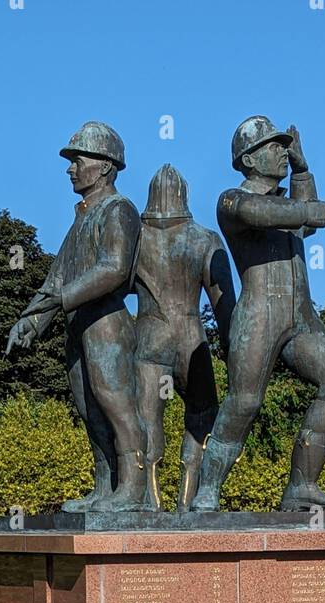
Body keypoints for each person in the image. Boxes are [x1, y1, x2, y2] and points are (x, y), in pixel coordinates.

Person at [191, 116, 325, 512]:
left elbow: (304, 223)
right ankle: (206, 489)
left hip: (301, 317)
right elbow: (261, 214)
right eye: (273, 146)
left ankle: (302, 486)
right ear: (248, 159)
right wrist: (306, 209)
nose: (282, 152)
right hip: (260, 315)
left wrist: (303, 169)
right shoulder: (232, 200)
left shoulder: (288, 205)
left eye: (284, 145)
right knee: (244, 403)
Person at [7, 121, 147, 512]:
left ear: (104, 166)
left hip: (107, 324)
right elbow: (56, 277)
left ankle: (133, 489)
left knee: (115, 402)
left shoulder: (119, 210)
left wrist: (61, 300)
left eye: (77, 160)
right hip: (78, 327)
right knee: (90, 408)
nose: (70, 169)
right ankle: (105, 487)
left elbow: (115, 268)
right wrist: (31, 321)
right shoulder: (81, 219)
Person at [134, 164, 235, 510]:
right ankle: (189, 499)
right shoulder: (205, 238)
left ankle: (150, 501)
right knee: (202, 413)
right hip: (192, 339)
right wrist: (234, 351)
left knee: (147, 419)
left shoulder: (135, 238)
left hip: (151, 339)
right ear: (184, 195)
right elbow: (225, 306)